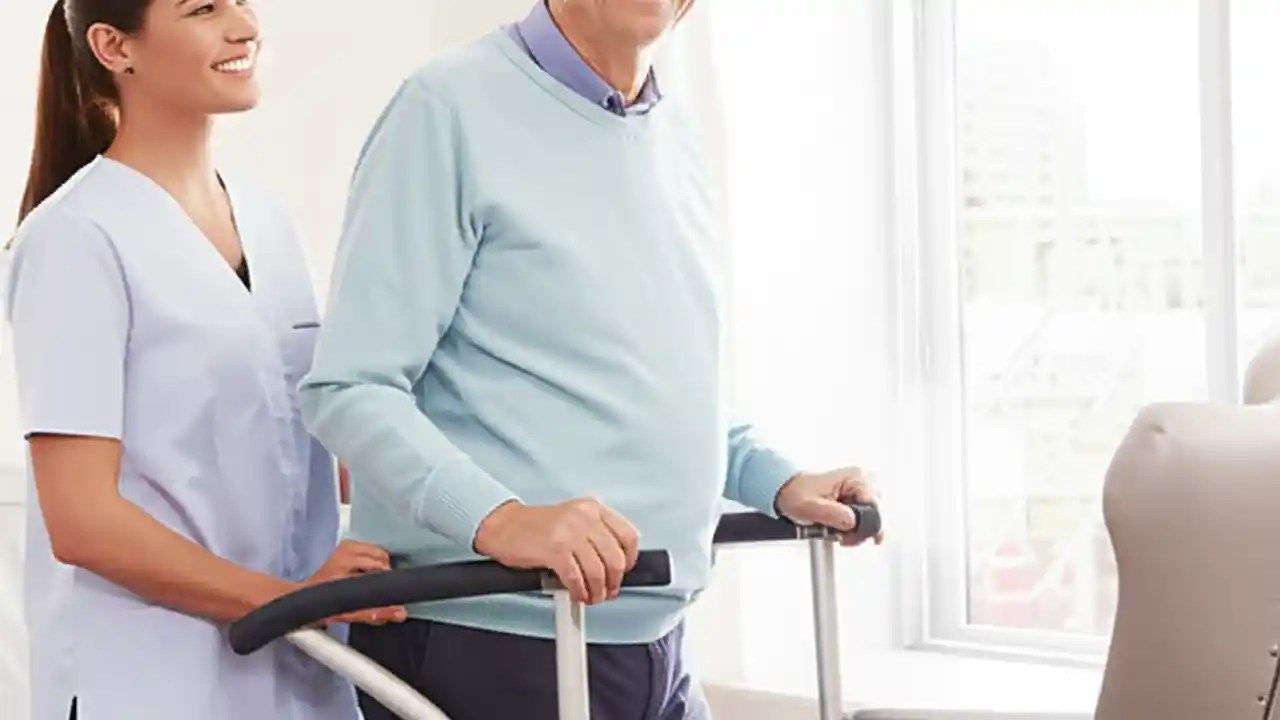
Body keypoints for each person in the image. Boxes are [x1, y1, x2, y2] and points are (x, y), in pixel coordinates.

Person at [299, 0, 886, 718]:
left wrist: (775, 478)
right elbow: (350, 389)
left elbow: (643, 378)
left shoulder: (670, 130)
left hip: (654, 637)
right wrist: (501, 518)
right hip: (491, 632)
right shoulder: (447, 109)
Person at [3, 2, 404, 719]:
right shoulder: (74, 238)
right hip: (149, 682)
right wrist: (287, 600)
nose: (245, 26)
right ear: (113, 46)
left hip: (297, 675)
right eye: (204, 8)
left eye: (244, 2)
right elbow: (82, 517)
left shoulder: (268, 220)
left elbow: (297, 441)